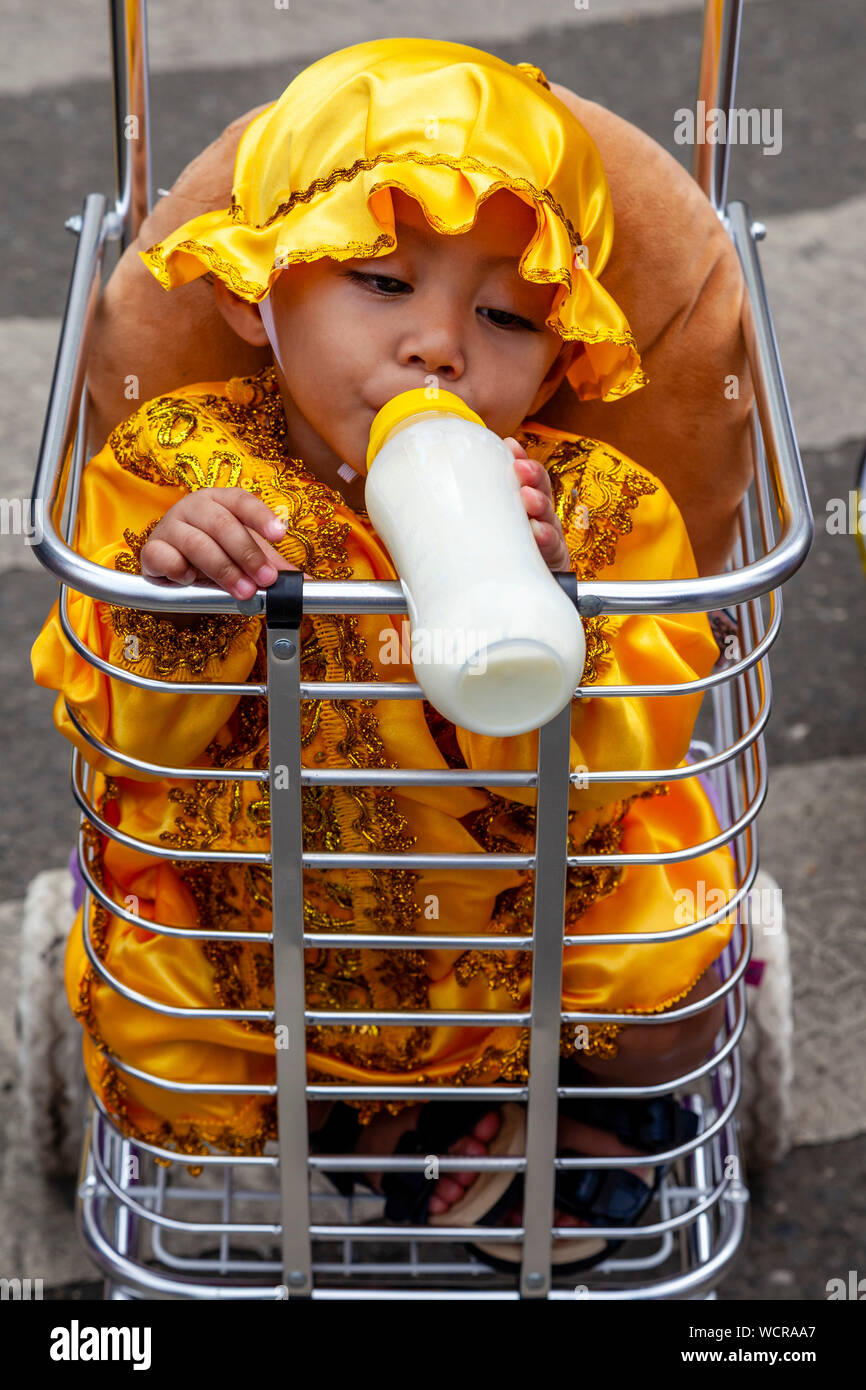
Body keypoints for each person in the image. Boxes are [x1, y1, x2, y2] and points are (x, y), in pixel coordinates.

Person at [31, 38, 736, 1272]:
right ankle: (387, 1141)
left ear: (564, 354)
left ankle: (545, 1111)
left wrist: (563, 607)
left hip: (521, 932)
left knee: (675, 999)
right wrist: (179, 603)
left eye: (506, 314)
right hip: (267, 929)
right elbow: (120, 732)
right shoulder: (180, 464)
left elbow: (639, 741)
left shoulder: (600, 508)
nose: (439, 348)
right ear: (255, 294)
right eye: (380, 282)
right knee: (185, 1026)